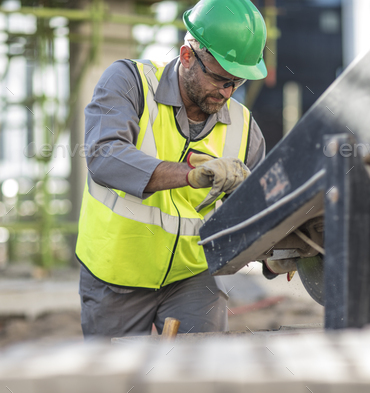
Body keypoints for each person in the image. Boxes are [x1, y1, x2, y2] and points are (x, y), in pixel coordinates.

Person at [75, 0, 268, 338]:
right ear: (187, 55)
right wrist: (189, 175)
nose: (226, 92)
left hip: (193, 275)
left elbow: (260, 205)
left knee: (199, 372)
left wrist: (275, 251)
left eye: (236, 83)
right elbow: (104, 155)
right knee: (116, 378)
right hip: (116, 272)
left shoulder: (244, 126)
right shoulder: (130, 83)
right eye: (221, 79)